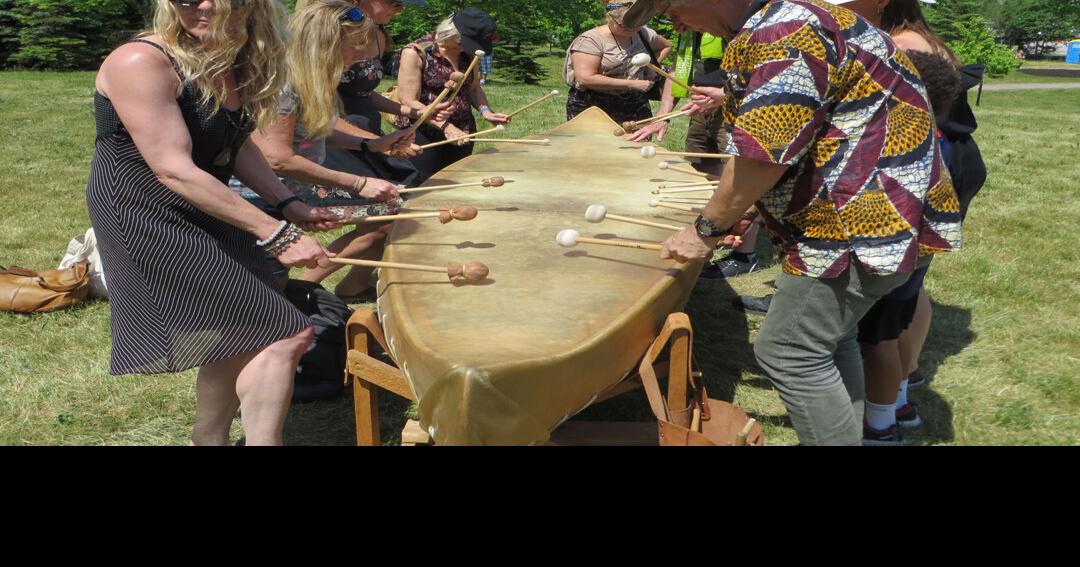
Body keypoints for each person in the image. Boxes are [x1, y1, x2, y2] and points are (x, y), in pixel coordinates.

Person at [624, 0, 962, 445]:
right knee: (831, 342)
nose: (673, 22)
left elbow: (763, 153)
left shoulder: (782, 31)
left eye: (671, 6)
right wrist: (748, 207)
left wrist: (702, 231)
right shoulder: (799, 17)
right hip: (878, 215)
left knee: (789, 350)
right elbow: (813, 127)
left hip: (857, 221)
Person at [87, 0, 341, 446]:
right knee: (285, 330)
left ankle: (207, 441)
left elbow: (235, 142)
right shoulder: (140, 61)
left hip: (203, 200)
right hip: (144, 212)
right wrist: (275, 232)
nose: (196, 6)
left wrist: (285, 203)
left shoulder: (228, 58)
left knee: (241, 327)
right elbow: (171, 167)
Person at [841, 0, 980, 443]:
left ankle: (881, 421)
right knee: (906, 294)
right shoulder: (920, 36)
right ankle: (900, 394)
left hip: (923, 172)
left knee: (883, 318)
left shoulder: (900, 44)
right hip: (942, 166)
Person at [238, 0, 422, 303]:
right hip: (258, 201)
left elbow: (311, 131)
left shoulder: (312, 81)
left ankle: (297, 301)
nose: (361, 55)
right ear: (326, 44)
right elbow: (277, 157)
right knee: (264, 297)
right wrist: (359, 183)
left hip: (283, 199)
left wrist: (371, 144)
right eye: (355, 46)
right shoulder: (284, 83)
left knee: (274, 291)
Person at [320, 0, 439, 190]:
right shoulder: (327, 36)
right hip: (336, 136)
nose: (401, 8)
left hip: (365, 128)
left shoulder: (379, 36)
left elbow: (363, 92)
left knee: (403, 192)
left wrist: (413, 112)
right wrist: (377, 143)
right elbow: (319, 115)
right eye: (394, 2)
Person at [395, 8, 510, 182]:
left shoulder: (470, 54)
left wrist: (486, 111)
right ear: (452, 33)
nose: (469, 48)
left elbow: (474, 89)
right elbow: (408, 100)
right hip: (423, 134)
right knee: (424, 186)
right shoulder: (416, 52)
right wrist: (447, 127)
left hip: (463, 132)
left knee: (456, 183)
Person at [564, 2, 673, 129]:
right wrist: (632, 83)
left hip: (635, 104)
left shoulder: (644, 33)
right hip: (594, 104)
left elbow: (666, 46)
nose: (631, 28)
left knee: (635, 145)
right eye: (624, 24)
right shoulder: (591, 40)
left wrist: (649, 68)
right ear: (610, 18)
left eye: (636, 23)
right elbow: (585, 78)